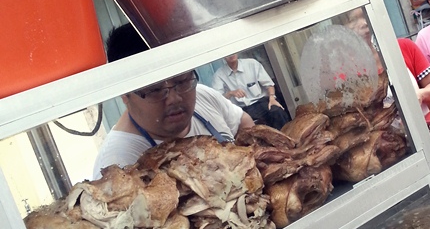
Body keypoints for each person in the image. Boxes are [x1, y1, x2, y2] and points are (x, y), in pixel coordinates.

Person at [93, 24, 253, 178]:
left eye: (182, 80)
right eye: (155, 90)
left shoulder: (203, 95)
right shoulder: (118, 164)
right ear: (125, 94)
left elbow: (241, 121)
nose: (174, 98)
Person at [344, 8, 430, 114]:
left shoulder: (403, 47)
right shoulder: (345, 72)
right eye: (354, 19)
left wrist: (421, 94)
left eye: (364, 16)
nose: (363, 23)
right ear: (343, 27)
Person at [211, 52, 290, 129]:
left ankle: (287, 138)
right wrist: (230, 93)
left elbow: (269, 84)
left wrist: (272, 98)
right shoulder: (219, 75)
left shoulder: (252, 64)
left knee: (277, 112)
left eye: (232, 51)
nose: (231, 54)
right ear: (222, 56)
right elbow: (217, 98)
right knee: (237, 128)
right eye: (227, 53)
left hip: (261, 103)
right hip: (240, 109)